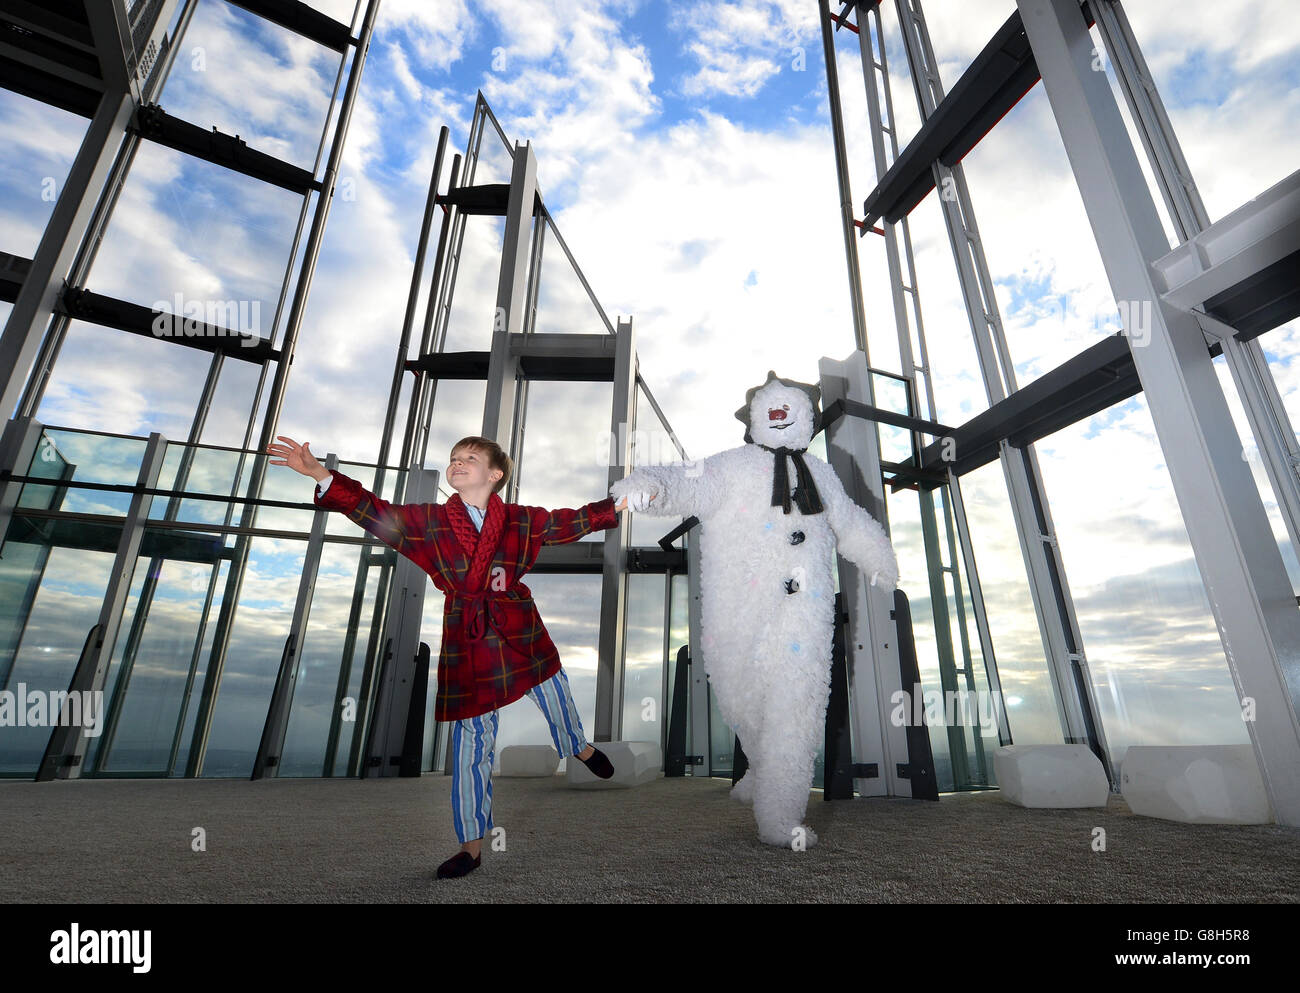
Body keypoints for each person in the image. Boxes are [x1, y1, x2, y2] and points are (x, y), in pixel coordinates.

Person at [266, 433, 640, 879]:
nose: (458, 463)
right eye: (454, 458)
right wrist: (321, 475)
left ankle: (577, 746)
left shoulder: (521, 519)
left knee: (554, 690)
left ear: (495, 474)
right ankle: (471, 847)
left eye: (470, 458)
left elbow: (570, 522)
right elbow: (374, 511)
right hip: (467, 634)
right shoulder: (428, 521)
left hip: (517, 623)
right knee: (470, 743)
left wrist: (618, 504)